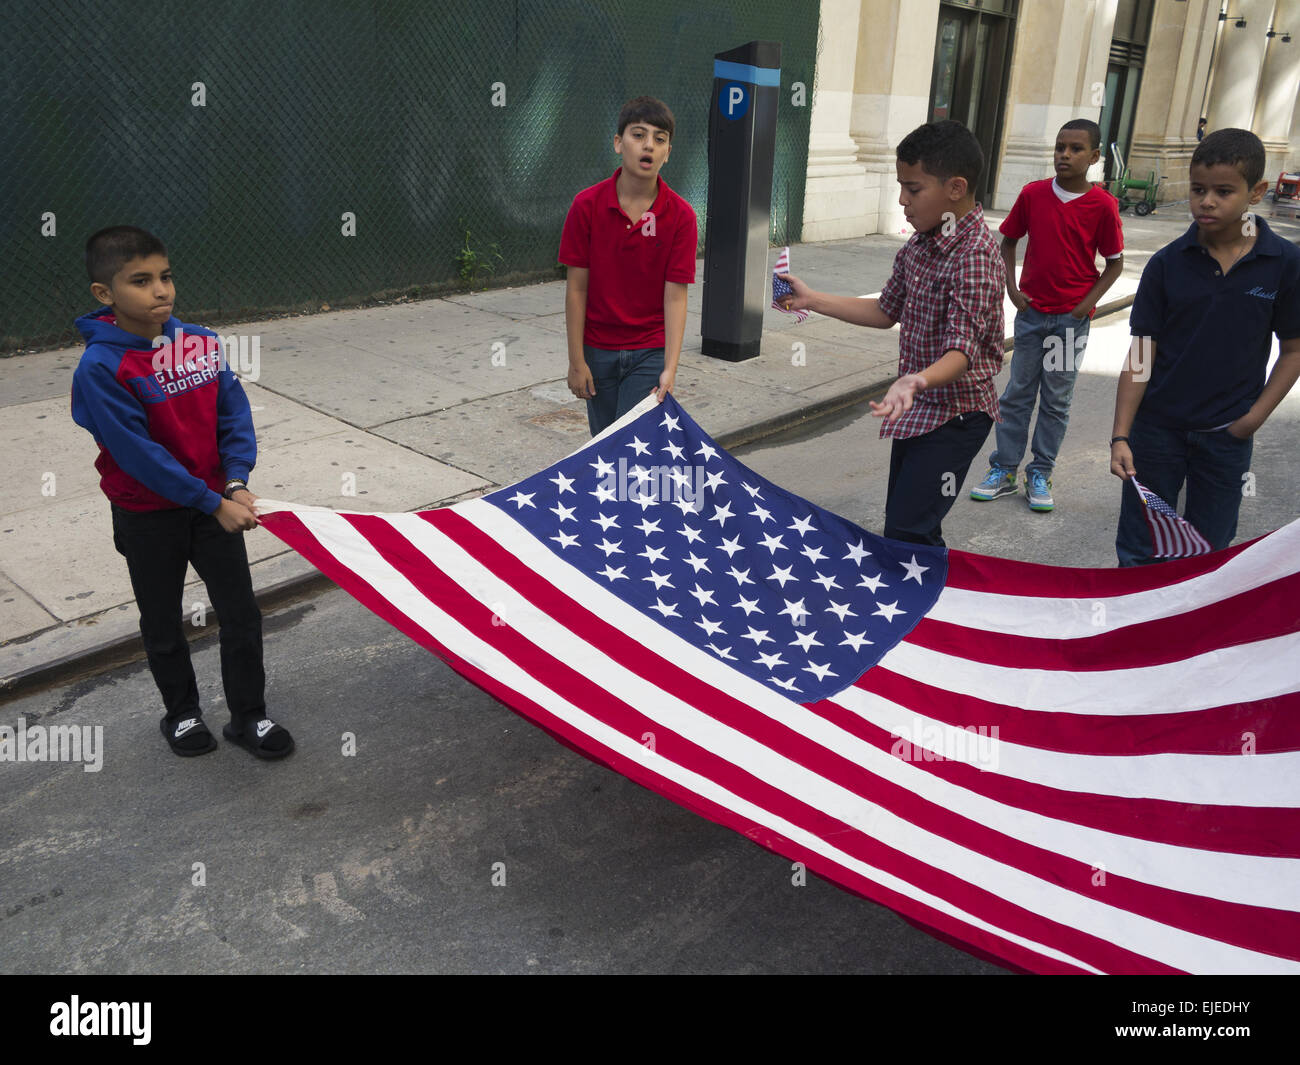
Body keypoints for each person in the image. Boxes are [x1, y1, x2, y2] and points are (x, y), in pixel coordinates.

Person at [71, 226, 293, 758]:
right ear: (105, 294)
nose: (161, 291)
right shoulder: (101, 367)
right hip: (149, 515)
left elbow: (233, 415)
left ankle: (249, 717)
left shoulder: (202, 343)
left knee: (241, 615)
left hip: (214, 506)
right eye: (141, 281)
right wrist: (212, 501)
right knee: (163, 619)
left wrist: (235, 481)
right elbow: (138, 454)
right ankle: (183, 713)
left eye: (166, 276)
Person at [780, 119, 1005, 547]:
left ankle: (931, 604)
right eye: (901, 186)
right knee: (908, 523)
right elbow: (886, 311)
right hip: (919, 406)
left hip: (956, 417)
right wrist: (812, 299)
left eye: (913, 189)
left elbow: (962, 353)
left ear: (956, 188)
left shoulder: (974, 256)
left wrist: (917, 378)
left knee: (909, 528)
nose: (902, 200)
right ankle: (919, 592)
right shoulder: (920, 244)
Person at [1110, 128, 1300, 565]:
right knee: (1140, 547)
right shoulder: (1166, 264)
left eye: (1223, 191)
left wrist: (1251, 420)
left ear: (1256, 192)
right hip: (1155, 432)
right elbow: (1142, 352)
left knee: (1209, 554)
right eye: (1198, 190)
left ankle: (1188, 633)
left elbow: (1292, 350)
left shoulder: (1283, 264)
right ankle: (1134, 631)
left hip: (1226, 435)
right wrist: (1121, 434)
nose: (1207, 201)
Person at [970, 119, 1124, 511]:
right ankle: (1003, 469)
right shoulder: (1033, 195)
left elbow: (1114, 264)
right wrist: (1012, 289)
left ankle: (1040, 472)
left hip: (1070, 323)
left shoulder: (1102, 205)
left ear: (1093, 157)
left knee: (1056, 399)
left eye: (1075, 149)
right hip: (1033, 316)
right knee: (1018, 393)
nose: (1065, 155)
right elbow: (1008, 243)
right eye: (1060, 148)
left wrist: (1085, 306)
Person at [558, 95, 698, 436]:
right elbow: (576, 289)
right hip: (597, 350)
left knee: (630, 446)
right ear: (619, 143)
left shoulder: (681, 216)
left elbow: (676, 296)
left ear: (668, 152)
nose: (648, 145)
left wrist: (670, 367)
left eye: (659, 139)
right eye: (638, 135)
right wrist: (577, 361)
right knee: (603, 447)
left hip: (649, 351)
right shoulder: (586, 205)